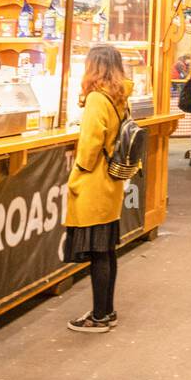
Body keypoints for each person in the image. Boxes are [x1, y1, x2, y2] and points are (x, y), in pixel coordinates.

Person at [64, 45, 130, 333]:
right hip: (111, 183)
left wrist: (77, 173)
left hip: (93, 183)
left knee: (98, 254)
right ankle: (107, 310)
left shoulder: (95, 98)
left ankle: (99, 316)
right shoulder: (119, 96)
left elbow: (90, 143)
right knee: (108, 251)